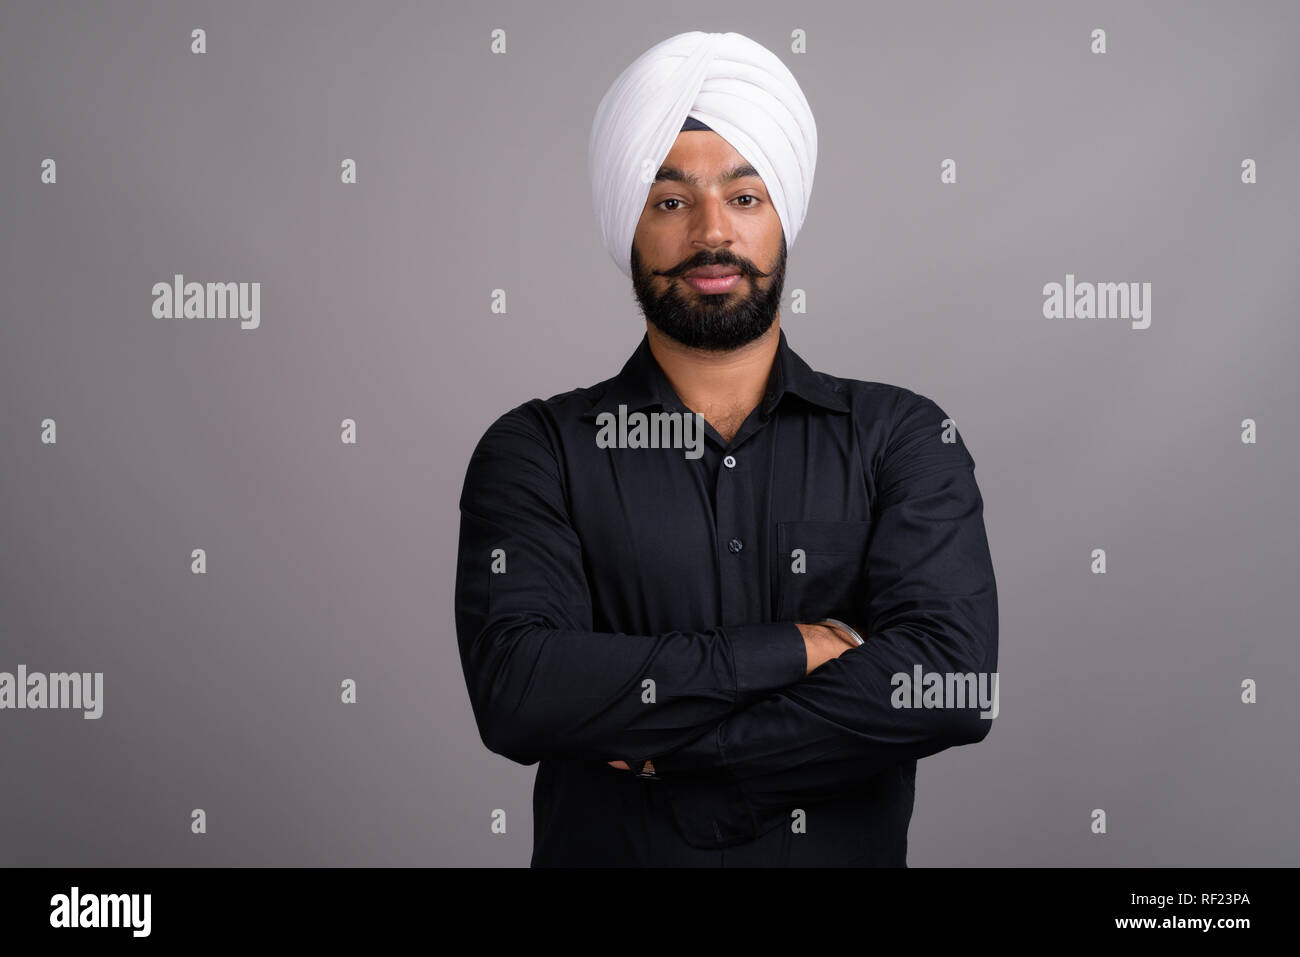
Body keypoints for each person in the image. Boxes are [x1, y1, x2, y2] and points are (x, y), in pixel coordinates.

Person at [454, 30, 998, 866]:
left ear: (785, 216)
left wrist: (684, 760)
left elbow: (949, 685)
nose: (713, 233)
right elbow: (521, 689)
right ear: (628, 224)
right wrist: (793, 647)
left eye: (745, 198)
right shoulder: (537, 451)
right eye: (670, 201)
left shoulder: (903, 436)